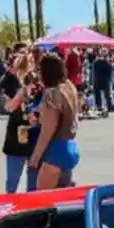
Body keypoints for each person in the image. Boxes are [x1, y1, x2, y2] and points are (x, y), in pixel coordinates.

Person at [29, 54, 81, 190]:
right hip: (70, 146)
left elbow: (48, 130)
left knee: (43, 198)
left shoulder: (51, 94)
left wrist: (35, 157)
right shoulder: (69, 88)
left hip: (56, 150)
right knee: (63, 195)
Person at [0, 54, 34, 193]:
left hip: (34, 132)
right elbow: (8, 107)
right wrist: (22, 93)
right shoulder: (8, 81)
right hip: (16, 133)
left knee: (34, 183)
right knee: (12, 182)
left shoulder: (36, 80)